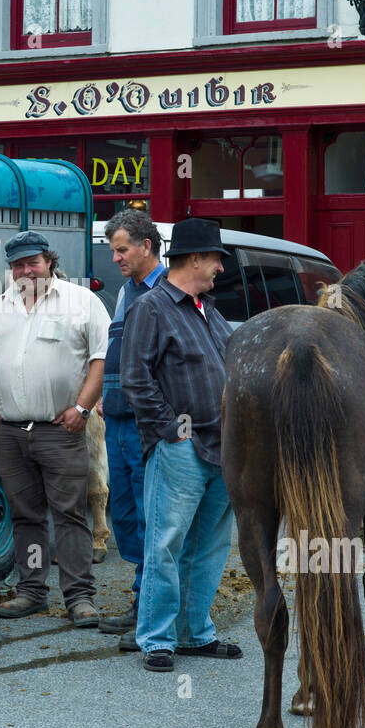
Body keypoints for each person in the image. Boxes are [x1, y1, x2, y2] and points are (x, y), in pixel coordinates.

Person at [0, 231, 110, 628]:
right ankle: (31, 591)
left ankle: (80, 598)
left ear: (49, 261)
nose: (25, 271)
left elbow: (102, 357)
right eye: (17, 265)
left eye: (32, 262)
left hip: (59, 430)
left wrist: (82, 408)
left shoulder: (82, 302)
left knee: (70, 514)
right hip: (11, 432)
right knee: (26, 516)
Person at [121, 217, 243, 672]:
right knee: (167, 543)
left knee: (209, 546)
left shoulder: (207, 309)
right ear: (194, 259)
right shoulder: (151, 308)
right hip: (184, 447)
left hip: (223, 446)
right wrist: (174, 433)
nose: (219, 269)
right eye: (215, 260)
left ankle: (194, 633)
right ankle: (156, 639)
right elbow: (136, 380)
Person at [95, 210, 167, 652]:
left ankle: (152, 609)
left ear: (146, 245)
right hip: (117, 421)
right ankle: (142, 599)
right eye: (113, 250)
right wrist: (106, 393)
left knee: (151, 516)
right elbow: (116, 350)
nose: (117, 257)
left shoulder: (168, 291)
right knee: (123, 516)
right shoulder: (126, 292)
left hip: (147, 427)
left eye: (122, 249)